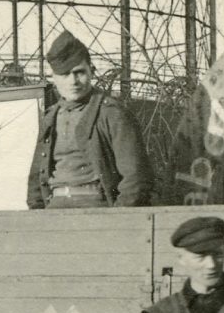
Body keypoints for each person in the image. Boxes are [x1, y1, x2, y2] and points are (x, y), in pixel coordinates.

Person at [26, 27, 154, 209]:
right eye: (64, 74)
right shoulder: (50, 117)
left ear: (91, 71)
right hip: (54, 209)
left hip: (97, 209)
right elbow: (35, 180)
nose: (73, 81)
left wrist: (118, 218)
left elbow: (136, 177)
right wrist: (37, 216)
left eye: (79, 72)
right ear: (54, 77)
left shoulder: (112, 113)